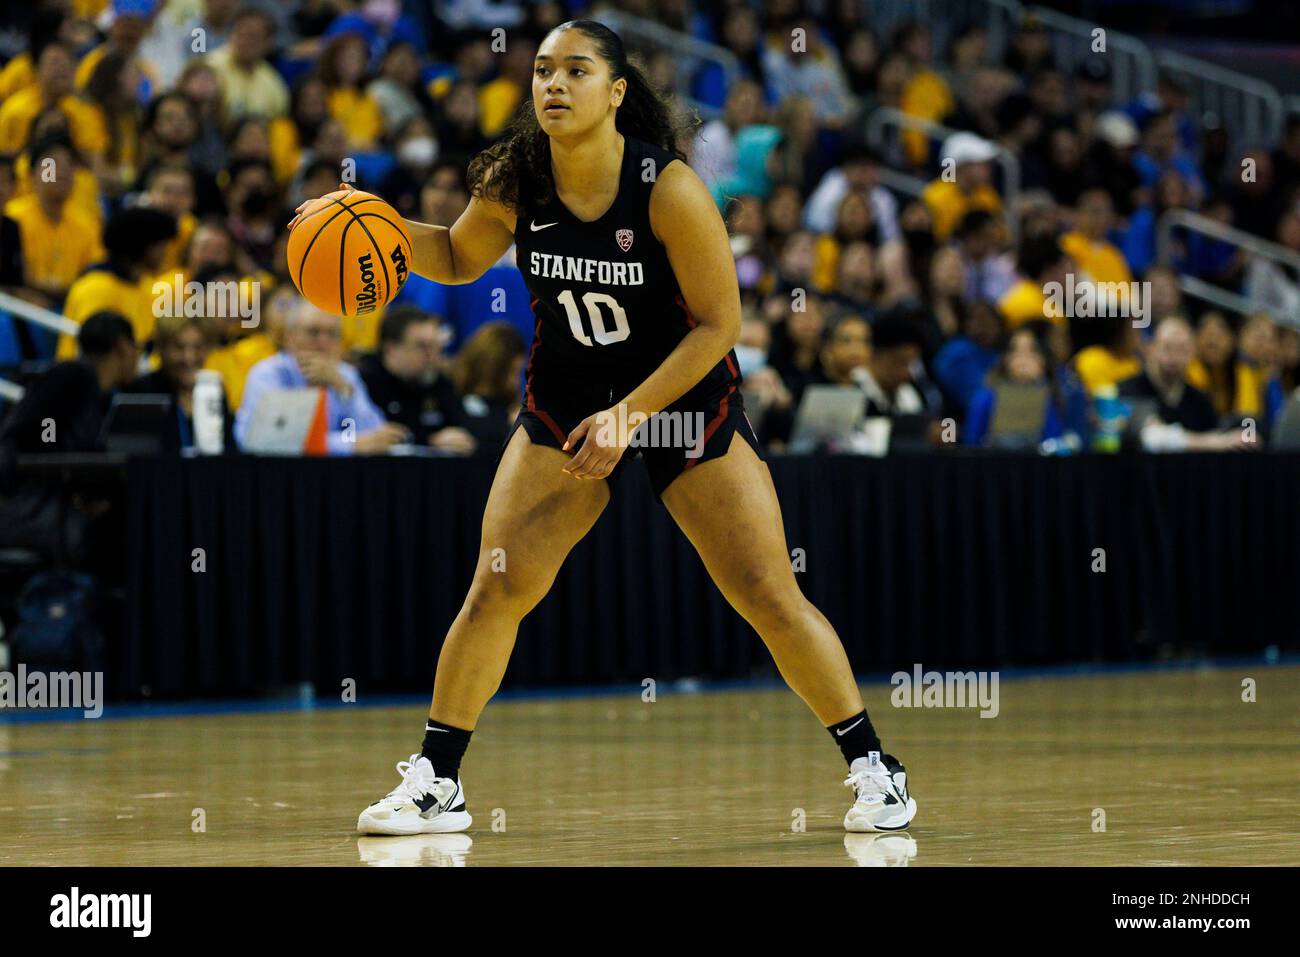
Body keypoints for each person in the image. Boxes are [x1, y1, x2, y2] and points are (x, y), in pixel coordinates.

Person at [291, 20, 917, 837]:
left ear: (616, 92)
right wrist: (365, 221)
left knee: (765, 591)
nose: (552, 83)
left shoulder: (669, 189)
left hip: (680, 396)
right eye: (543, 70)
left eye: (575, 71)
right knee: (497, 584)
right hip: (569, 392)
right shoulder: (518, 176)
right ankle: (438, 779)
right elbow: (452, 255)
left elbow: (720, 325)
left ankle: (876, 766)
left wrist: (632, 415)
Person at [0, 312, 138, 565]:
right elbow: (34, 438)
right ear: (123, 347)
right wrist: (78, 488)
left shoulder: (95, 390)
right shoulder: (70, 377)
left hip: (50, 507)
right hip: (34, 511)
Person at [234, 300, 407, 455]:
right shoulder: (269, 374)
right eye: (313, 332)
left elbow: (376, 435)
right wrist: (348, 446)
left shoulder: (345, 374)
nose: (323, 342)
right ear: (289, 337)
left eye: (332, 334)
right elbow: (260, 440)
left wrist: (343, 389)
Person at [1118, 316, 1254, 452]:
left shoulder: (1200, 400)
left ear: (1192, 353)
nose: (1174, 356)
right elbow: (1152, 437)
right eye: (1167, 348)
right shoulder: (1128, 391)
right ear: (1151, 349)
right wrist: (1212, 441)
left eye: (1182, 349)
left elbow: (1216, 437)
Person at [357, 305, 475, 452]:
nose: (432, 355)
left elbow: (464, 426)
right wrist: (430, 441)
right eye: (422, 346)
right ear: (391, 349)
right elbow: (383, 435)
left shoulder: (437, 381)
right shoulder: (364, 381)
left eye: (436, 347)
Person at [123, 314, 237, 453]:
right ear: (162, 349)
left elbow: (230, 451)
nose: (189, 358)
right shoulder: (141, 393)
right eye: (178, 347)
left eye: (198, 347)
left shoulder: (213, 390)